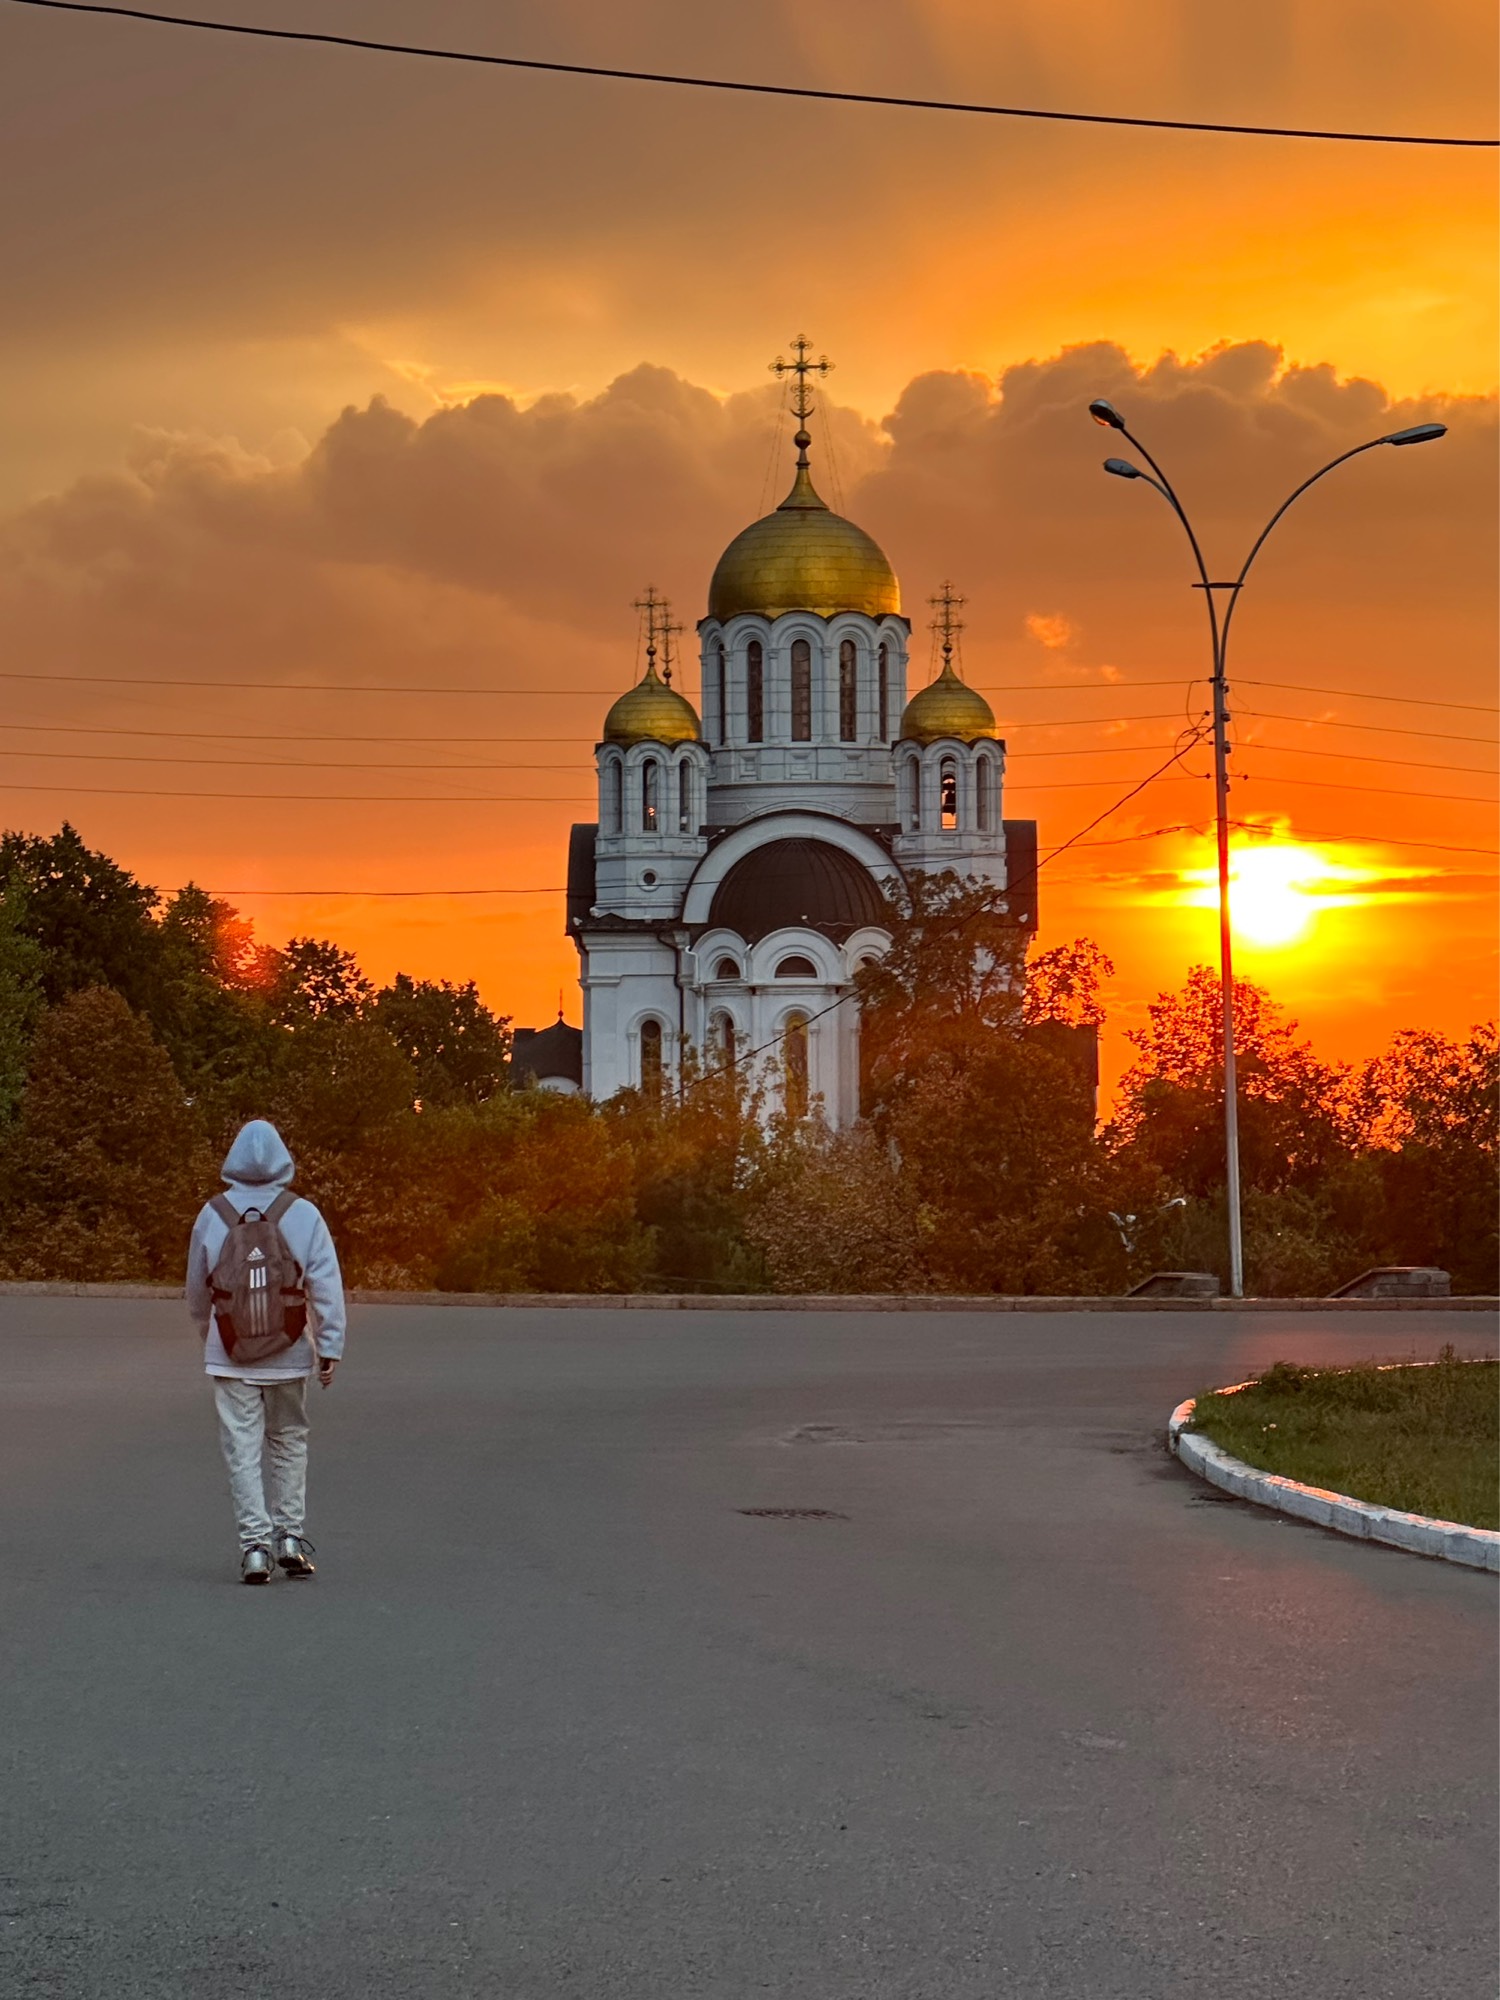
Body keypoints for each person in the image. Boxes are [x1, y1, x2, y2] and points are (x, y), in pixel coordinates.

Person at [186, 1119, 346, 1585]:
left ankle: (254, 1549)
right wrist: (329, 1344)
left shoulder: (212, 1214)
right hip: (291, 1349)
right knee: (289, 1440)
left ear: (232, 1160)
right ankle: (290, 1537)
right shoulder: (303, 1213)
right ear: (282, 1160)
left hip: (230, 1350)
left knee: (241, 1449)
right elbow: (325, 1284)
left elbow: (197, 1289)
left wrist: (208, 1335)